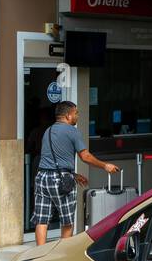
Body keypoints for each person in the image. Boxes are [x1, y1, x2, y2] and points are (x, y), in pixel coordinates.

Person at [33, 101, 118, 245]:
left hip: (42, 177)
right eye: (76, 113)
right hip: (60, 180)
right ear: (68, 115)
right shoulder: (72, 131)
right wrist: (105, 166)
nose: (78, 116)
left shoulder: (48, 130)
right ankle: (63, 254)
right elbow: (85, 157)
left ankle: (39, 254)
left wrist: (74, 175)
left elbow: (55, 160)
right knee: (67, 221)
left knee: (41, 219)